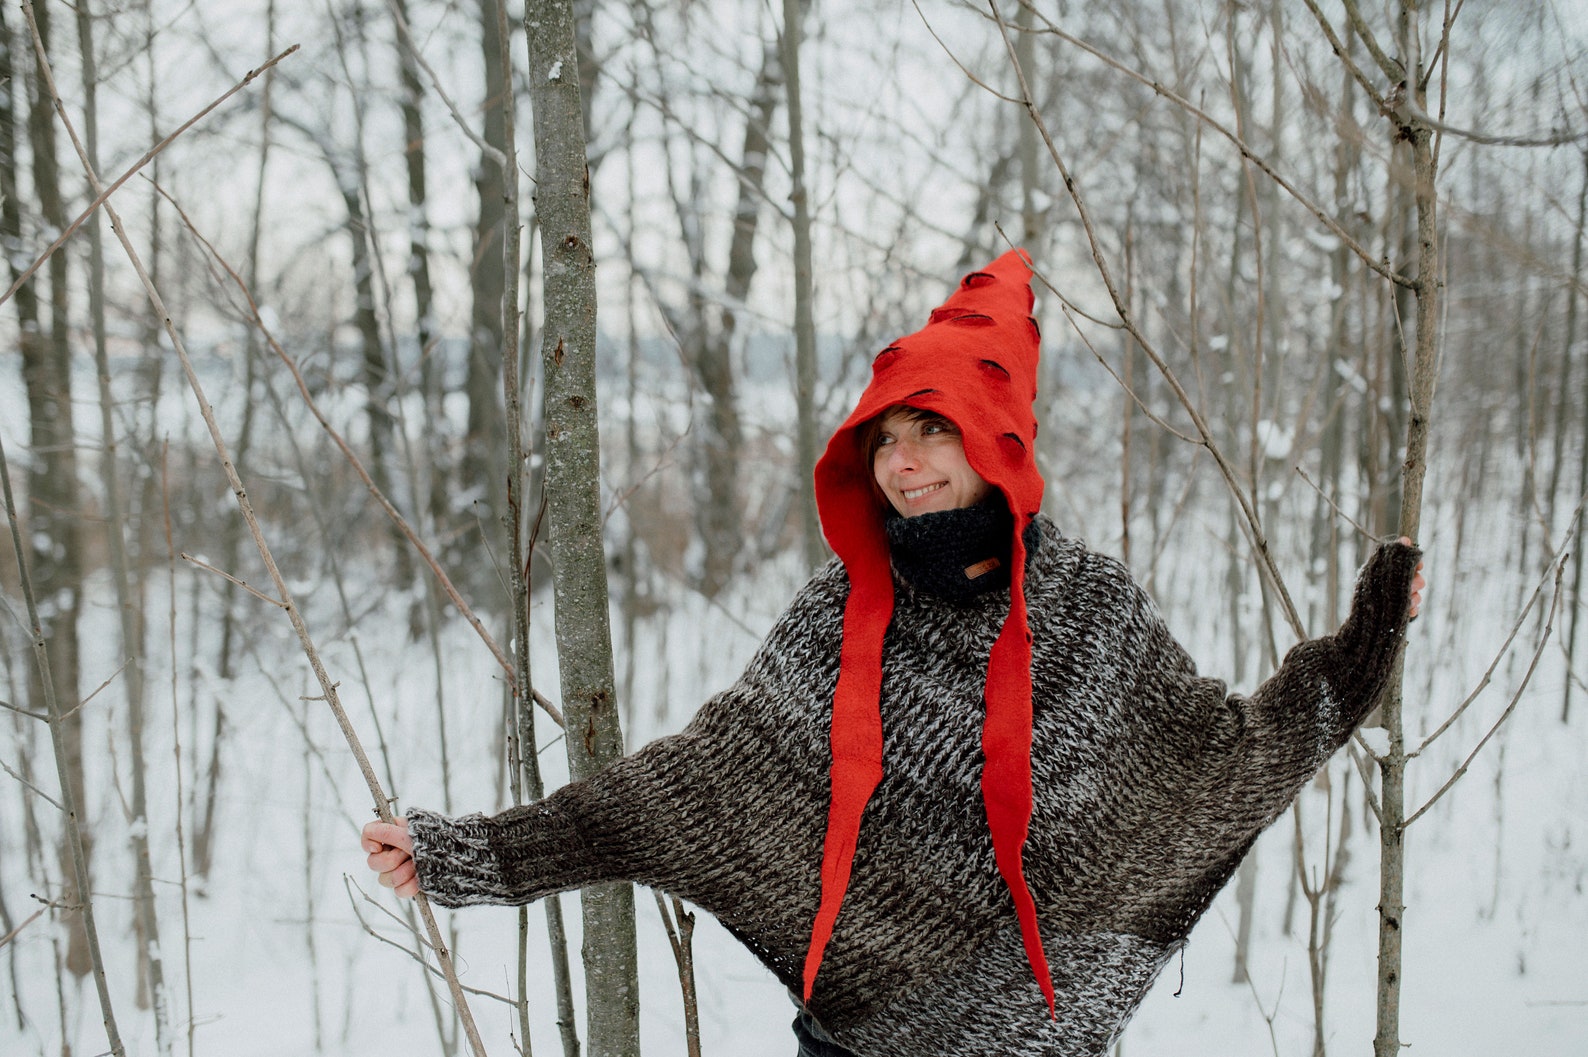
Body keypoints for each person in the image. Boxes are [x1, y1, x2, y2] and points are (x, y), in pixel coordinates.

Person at [362, 250, 1425, 1057]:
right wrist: (470, 853)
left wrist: (1366, 640)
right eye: (884, 439)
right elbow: (680, 793)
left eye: (933, 431)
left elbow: (1221, 758)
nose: (905, 465)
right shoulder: (837, 619)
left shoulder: (1093, 611)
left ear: (996, 441)